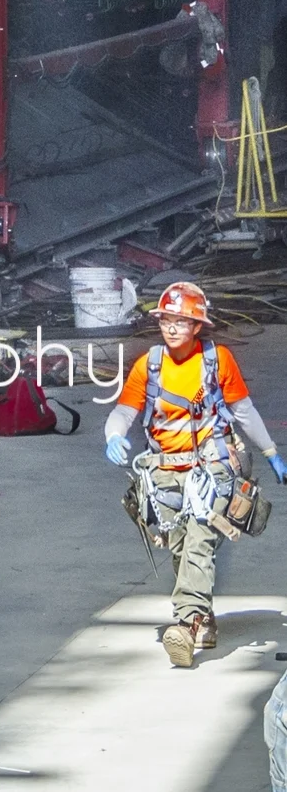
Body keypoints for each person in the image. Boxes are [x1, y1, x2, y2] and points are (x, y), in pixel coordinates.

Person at [105, 274, 287, 666]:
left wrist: (270, 451)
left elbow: (242, 410)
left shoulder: (217, 360)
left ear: (197, 326)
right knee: (180, 546)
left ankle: (185, 626)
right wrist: (114, 434)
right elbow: (123, 411)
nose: (172, 328)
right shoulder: (148, 366)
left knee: (201, 537)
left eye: (181, 321)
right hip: (165, 474)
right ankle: (203, 618)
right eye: (166, 320)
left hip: (214, 468)